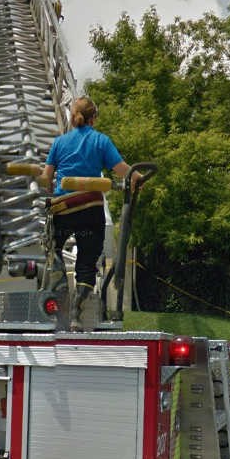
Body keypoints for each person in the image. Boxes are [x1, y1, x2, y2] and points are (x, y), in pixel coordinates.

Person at [39, 96, 139, 325]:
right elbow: (123, 169)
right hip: (90, 207)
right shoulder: (101, 141)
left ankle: (61, 286)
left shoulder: (59, 142)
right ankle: (77, 309)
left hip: (64, 207)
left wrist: (47, 184)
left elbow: (46, 177)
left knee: (53, 247)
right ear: (93, 118)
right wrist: (138, 178)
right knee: (87, 262)